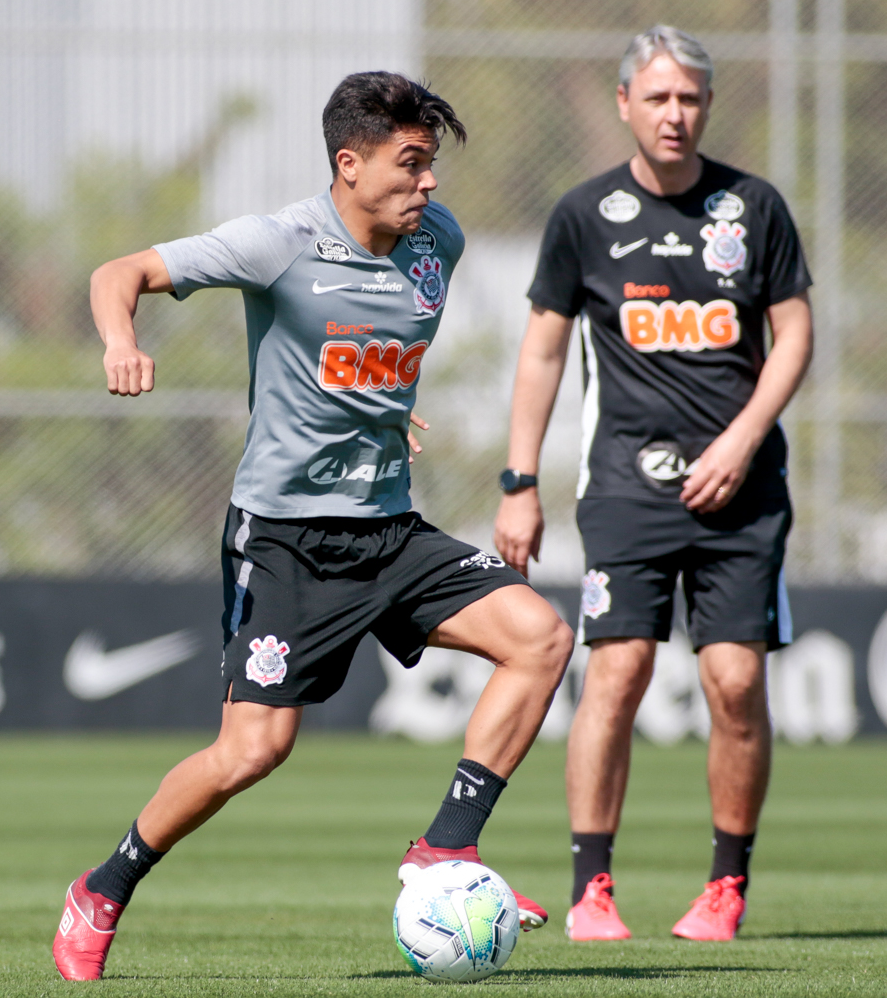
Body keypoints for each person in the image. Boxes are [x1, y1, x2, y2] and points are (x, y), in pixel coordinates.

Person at [52, 72, 574, 981]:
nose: (430, 186)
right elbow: (118, 273)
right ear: (349, 163)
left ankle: (445, 848)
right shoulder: (280, 243)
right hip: (288, 540)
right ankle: (103, 886)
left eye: (432, 165)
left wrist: (378, 407)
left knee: (541, 636)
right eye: (410, 165)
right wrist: (120, 341)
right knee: (252, 751)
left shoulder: (434, 244)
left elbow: (367, 355)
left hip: (391, 530)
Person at [493, 26, 814, 943]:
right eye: (660, 97)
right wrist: (520, 479)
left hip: (742, 491)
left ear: (707, 108)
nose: (676, 115)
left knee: (733, 682)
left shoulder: (754, 208)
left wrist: (744, 437)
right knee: (618, 672)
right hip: (625, 487)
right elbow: (544, 350)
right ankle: (593, 890)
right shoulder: (584, 216)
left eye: (691, 99)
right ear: (624, 102)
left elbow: (793, 334)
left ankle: (726, 889)